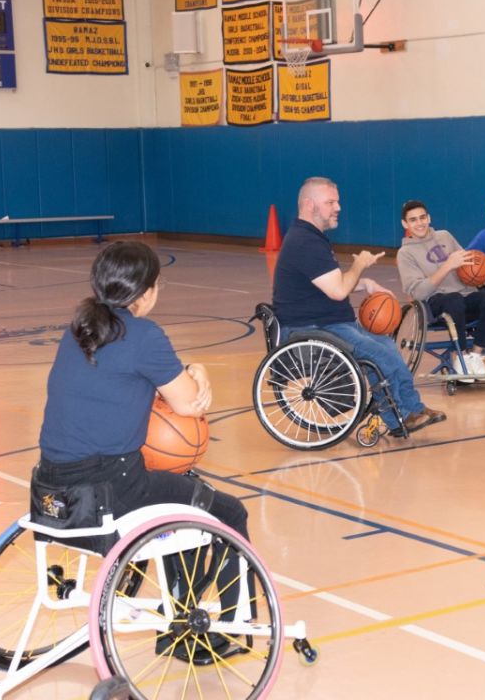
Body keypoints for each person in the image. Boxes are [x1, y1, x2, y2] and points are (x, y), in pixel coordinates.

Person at [33, 240, 248, 663]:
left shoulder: (78, 327)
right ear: (147, 291)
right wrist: (199, 370)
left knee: (177, 494)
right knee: (227, 510)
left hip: (51, 488)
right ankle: (206, 630)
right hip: (109, 490)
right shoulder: (144, 334)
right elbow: (190, 404)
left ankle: (179, 616)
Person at [272, 177, 446, 434]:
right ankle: (401, 415)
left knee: (386, 345)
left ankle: (410, 410)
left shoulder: (309, 237)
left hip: (329, 323)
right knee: (380, 354)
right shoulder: (304, 242)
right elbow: (337, 290)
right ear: (309, 205)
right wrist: (359, 264)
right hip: (311, 329)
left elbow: (329, 282)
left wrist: (364, 283)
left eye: (337, 201)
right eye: (330, 202)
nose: (338, 207)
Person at [397, 200, 485, 377]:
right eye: (413, 220)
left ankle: (475, 356)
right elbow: (418, 292)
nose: (420, 223)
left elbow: (466, 264)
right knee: (454, 300)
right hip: (434, 303)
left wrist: (479, 273)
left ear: (429, 218)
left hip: (464, 297)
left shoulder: (445, 236)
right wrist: (446, 266)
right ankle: (459, 358)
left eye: (422, 217)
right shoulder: (405, 254)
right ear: (405, 224)